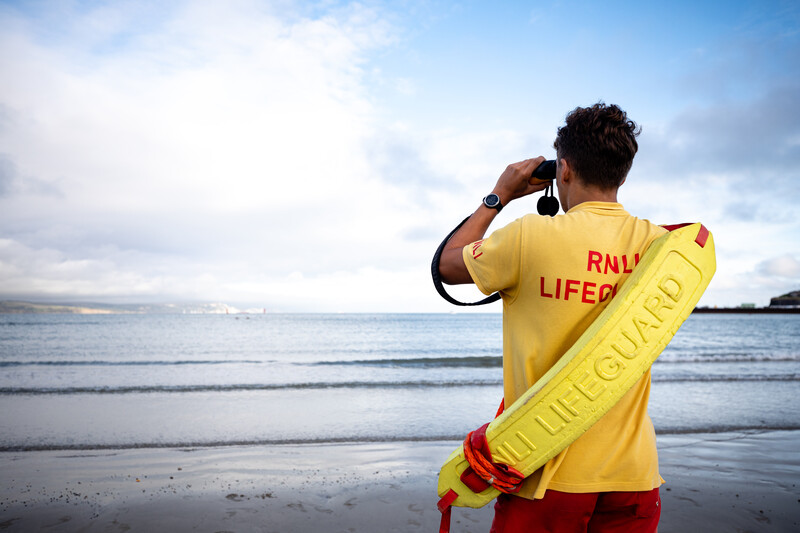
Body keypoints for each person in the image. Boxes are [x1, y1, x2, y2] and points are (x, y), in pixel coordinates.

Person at [438, 103, 665, 533]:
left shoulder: (530, 236)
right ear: (623, 170)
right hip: (635, 476)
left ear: (562, 168)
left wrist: (499, 196)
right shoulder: (658, 246)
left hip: (543, 474)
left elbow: (447, 265)